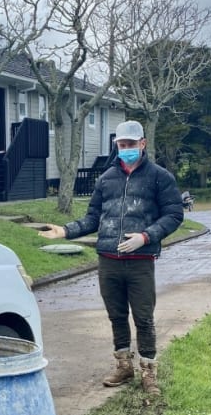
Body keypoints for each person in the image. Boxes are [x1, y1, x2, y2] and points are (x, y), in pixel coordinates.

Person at [39, 120, 183, 394]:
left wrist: (146, 237)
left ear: (142, 144)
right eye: (121, 144)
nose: (126, 149)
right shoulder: (106, 179)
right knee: (116, 316)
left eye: (131, 144)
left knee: (144, 318)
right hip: (108, 260)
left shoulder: (159, 177)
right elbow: (94, 218)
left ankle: (149, 371)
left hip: (140, 262)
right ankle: (123, 366)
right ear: (116, 145)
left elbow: (174, 214)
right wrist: (65, 231)